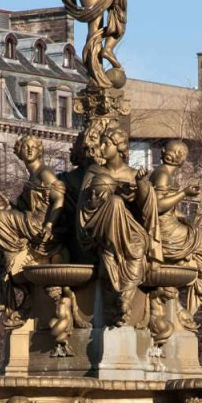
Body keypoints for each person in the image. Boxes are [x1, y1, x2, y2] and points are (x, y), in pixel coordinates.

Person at [78, 125, 161, 323]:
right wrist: (96, 201)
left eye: (107, 143)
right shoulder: (94, 171)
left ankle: (124, 297)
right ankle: (117, 294)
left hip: (129, 229)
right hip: (100, 228)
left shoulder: (132, 173)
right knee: (115, 203)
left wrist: (141, 184)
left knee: (138, 246)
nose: (102, 147)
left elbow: (147, 207)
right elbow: (83, 208)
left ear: (119, 147)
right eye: (102, 142)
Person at [0, 133, 68, 322]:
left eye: (33, 146)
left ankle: (16, 247)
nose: (29, 149)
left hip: (37, 225)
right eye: (25, 147)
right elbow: (26, 208)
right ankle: (4, 300)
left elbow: (59, 199)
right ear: (19, 152)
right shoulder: (32, 175)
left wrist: (49, 225)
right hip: (28, 221)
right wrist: (10, 207)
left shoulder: (44, 173)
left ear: (39, 150)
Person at [150, 139, 202, 320]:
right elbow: (157, 206)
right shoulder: (162, 175)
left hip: (169, 224)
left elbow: (169, 210)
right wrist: (184, 193)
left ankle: (201, 293)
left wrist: (185, 217)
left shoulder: (164, 174)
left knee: (201, 223)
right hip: (165, 231)